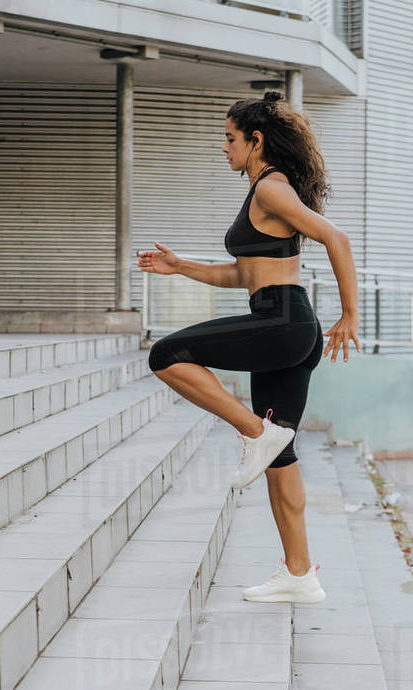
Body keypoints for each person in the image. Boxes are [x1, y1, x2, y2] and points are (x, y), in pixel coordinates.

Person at [138, 90, 361, 604]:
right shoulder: (266, 191)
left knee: (165, 356)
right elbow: (244, 273)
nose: (224, 147)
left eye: (229, 138)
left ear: (255, 140)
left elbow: (338, 240)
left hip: (280, 321)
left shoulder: (271, 189)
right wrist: (181, 267)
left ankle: (253, 431)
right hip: (287, 322)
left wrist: (350, 315)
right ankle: (300, 573)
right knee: (282, 455)